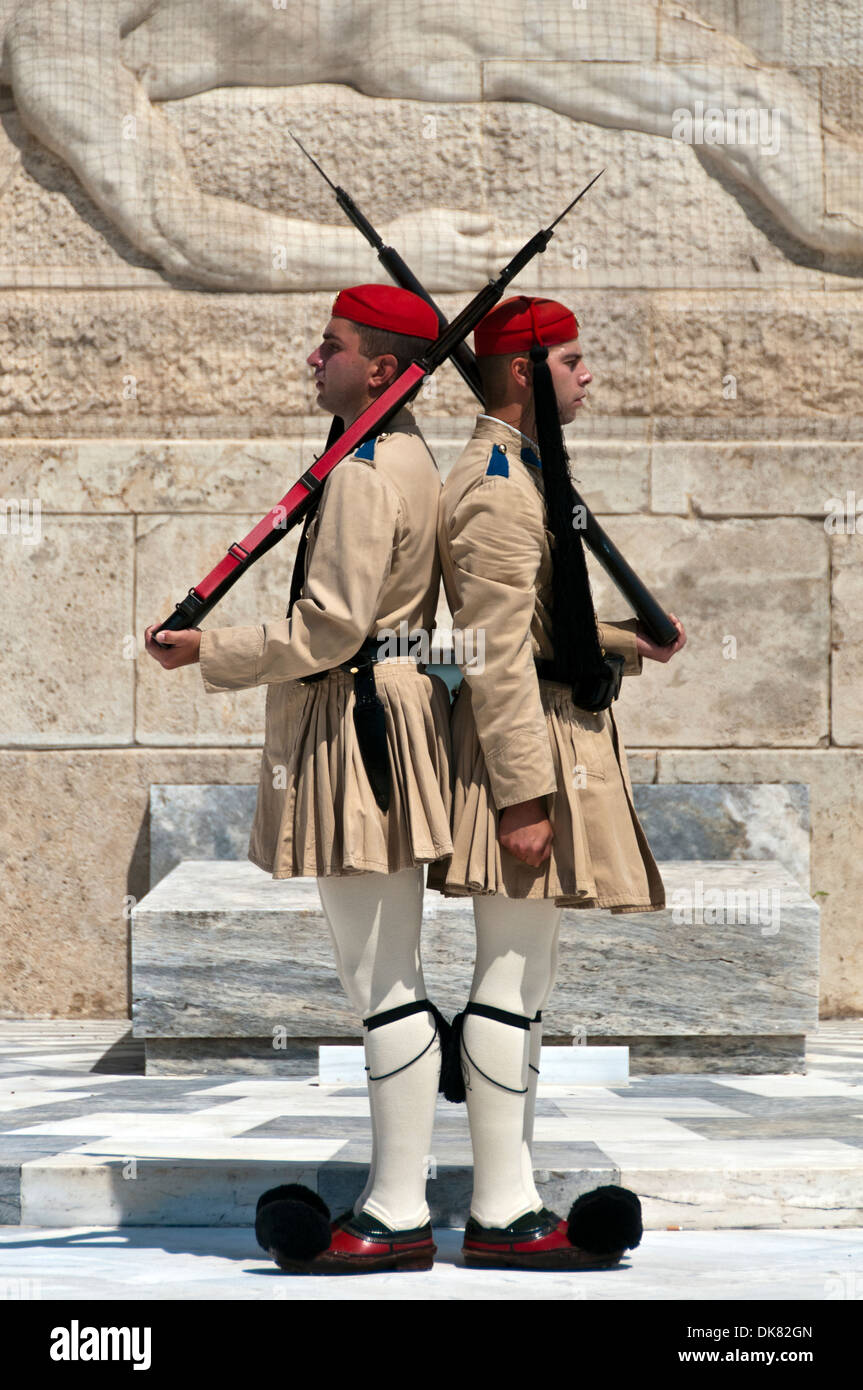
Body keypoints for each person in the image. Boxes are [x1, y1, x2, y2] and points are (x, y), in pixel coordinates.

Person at [145, 283, 454, 1273]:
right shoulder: (396, 456)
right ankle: (398, 1194)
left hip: (355, 724)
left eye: (329, 346)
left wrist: (207, 650)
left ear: (380, 369)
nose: (309, 360)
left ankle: (398, 1209)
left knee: (381, 979)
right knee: (384, 971)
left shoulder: (364, 473)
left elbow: (331, 628)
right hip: (376, 713)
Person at [426, 294, 687, 1269]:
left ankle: (512, 1192)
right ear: (526, 374)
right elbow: (490, 655)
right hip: (523, 748)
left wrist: (622, 640)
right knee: (505, 977)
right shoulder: (497, 486)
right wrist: (520, 798)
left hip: (541, 735)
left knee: (523, 977)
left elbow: (537, 622)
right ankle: (499, 1210)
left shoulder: (522, 472)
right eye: (572, 361)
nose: (589, 376)